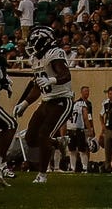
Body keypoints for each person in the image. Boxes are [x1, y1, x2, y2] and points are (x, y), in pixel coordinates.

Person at [15, 25, 77, 183]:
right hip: (46, 101)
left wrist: (51, 79)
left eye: (34, 41)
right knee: (30, 138)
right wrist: (25, 103)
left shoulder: (54, 53)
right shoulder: (35, 58)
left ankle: (42, 175)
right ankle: (57, 142)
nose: (31, 45)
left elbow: (66, 75)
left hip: (62, 100)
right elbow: (38, 85)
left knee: (43, 135)